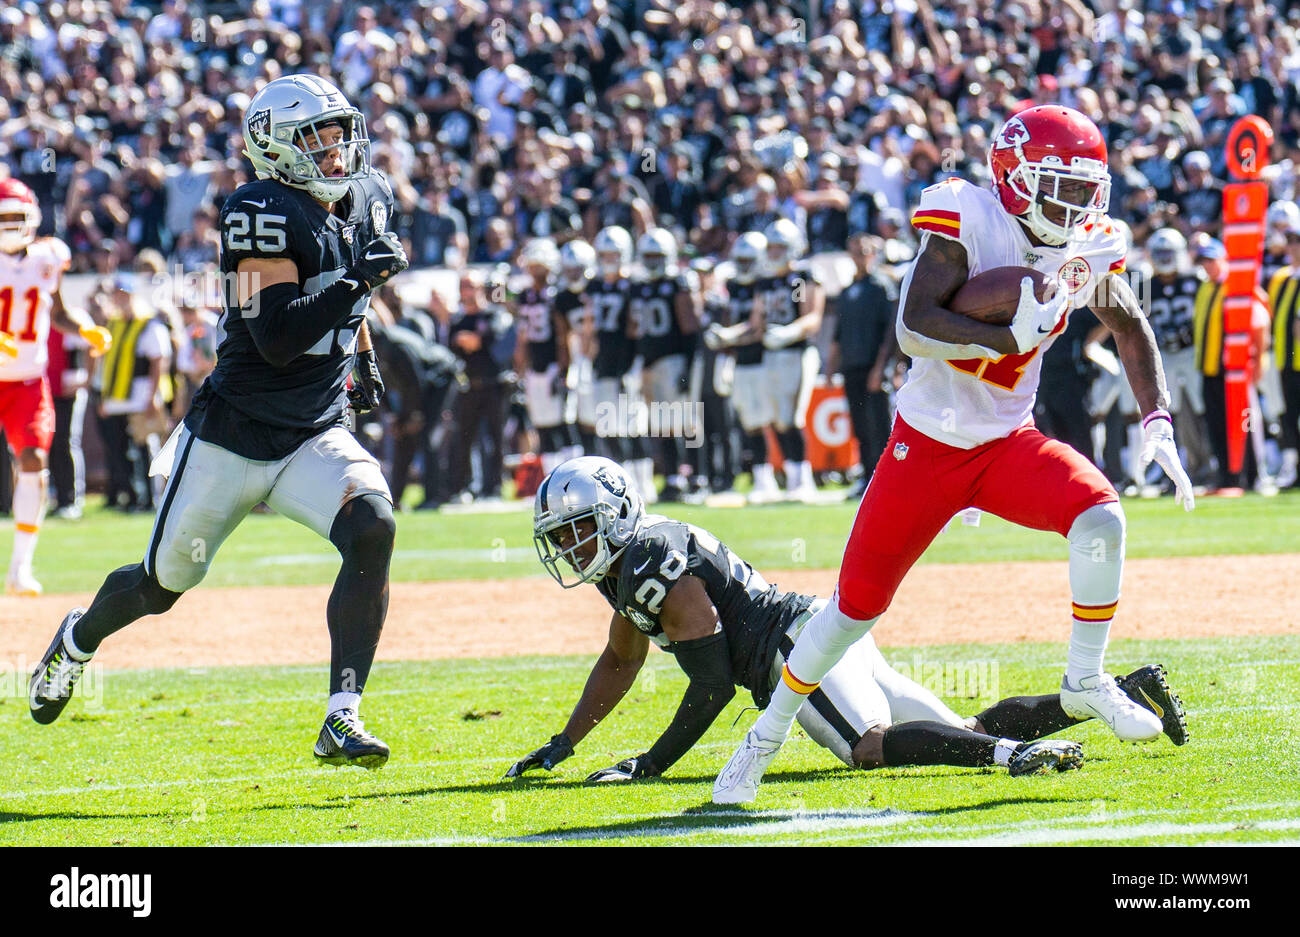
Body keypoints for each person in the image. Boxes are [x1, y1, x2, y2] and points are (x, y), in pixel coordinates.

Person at [715, 105, 1196, 804]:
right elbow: (913, 327)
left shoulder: (1087, 244)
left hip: (1005, 441)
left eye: (1083, 188)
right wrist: (1004, 337)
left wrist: (1158, 420)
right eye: (1058, 185)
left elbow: (1127, 321)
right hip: (927, 447)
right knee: (851, 612)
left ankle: (1086, 677)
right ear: (1013, 176)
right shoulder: (968, 215)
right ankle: (763, 737)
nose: (1073, 205)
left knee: (1101, 517)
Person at [28, 75, 408, 770]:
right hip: (233, 434)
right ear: (276, 147)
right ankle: (78, 640)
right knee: (160, 586)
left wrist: (363, 349)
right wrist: (361, 280)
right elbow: (278, 336)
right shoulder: (259, 209)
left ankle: (342, 714)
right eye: (316, 138)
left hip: (313, 431)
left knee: (373, 525)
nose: (335, 149)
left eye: (338, 133)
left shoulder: (369, 195)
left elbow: (345, 291)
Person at [506, 457, 1186, 783]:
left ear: (616, 515)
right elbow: (621, 658)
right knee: (961, 732)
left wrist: (649, 765)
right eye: (562, 537)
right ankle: (1124, 689)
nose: (571, 548)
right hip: (814, 628)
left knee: (869, 745)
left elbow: (710, 686)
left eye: (578, 530)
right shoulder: (632, 563)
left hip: (795, 651)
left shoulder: (650, 559)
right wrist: (566, 743)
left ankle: (1015, 758)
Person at [0, 177, 112, 594]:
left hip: (28, 381)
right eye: (3, 217)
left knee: (33, 461)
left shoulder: (48, 257)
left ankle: (20, 567)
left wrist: (85, 328)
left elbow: (59, 311)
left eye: (16, 216)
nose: (9, 224)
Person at [705, 231, 778, 501]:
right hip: (740, 360)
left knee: (770, 420)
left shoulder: (766, 284)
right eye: (742, 260)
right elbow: (730, 317)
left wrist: (729, 336)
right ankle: (761, 477)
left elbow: (758, 327)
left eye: (749, 260)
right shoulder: (733, 285)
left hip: (763, 359)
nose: (745, 265)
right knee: (749, 422)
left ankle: (775, 475)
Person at [629, 226, 700, 501]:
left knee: (685, 423)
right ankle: (672, 478)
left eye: (657, 255)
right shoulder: (639, 286)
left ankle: (695, 477)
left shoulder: (677, 283)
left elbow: (691, 328)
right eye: (648, 255)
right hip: (649, 363)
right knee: (660, 426)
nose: (652, 261)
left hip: (673, 360)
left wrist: (689, 367)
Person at [756, 218, 824, 500]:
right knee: (777, 419)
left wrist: (788, 332)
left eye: (780, 246)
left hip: (797, 351)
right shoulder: (765, 281)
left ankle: (802, 478)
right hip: (772, 354)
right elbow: (756, 321)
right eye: (771, 246)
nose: (774, 252)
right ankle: (791, 476)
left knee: (793, 416)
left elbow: (813, 317)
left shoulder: (803, 276)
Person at [829, 234, 898, 495]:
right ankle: (867, 477)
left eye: (865, 251)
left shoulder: (881, 287)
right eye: (856, 252)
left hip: (873, 365)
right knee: (860, 425)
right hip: (852, 365)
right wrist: (831, 366)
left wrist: (881, 367)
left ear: (874, 254)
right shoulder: (847, 291)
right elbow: (839, 333)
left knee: (880, 424)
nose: (861, 257)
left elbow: (890, 332)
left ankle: (885, 478)